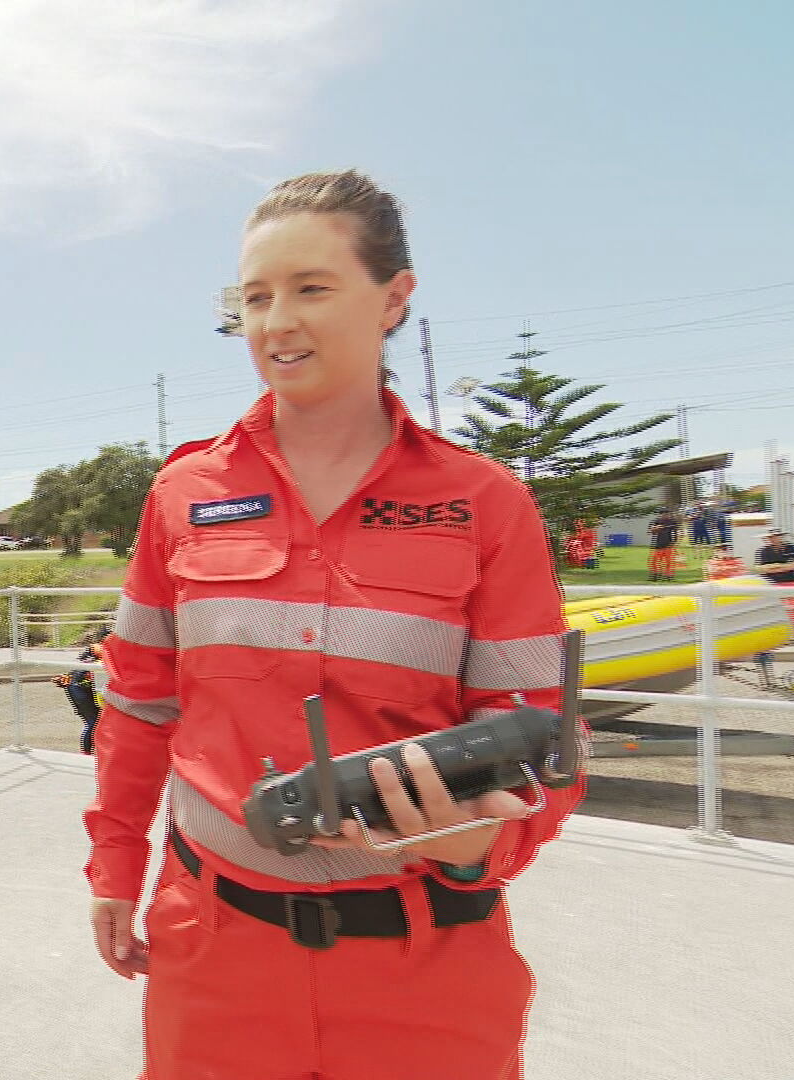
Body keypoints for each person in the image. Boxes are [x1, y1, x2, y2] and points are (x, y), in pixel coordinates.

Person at [85, 170, 581, 1079]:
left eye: (312, 288)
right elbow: (139, 707)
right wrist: (115, 867)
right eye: (257, 298)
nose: (277, 324)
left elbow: (545, 730)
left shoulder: (486, 504)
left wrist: (486, 841)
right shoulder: (181, 496)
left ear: (394, 298)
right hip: (215, 958)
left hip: (428, 970)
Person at [648, 507, 680, 581]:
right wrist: (656, 528)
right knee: (655, 561)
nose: (666, 515)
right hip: (658, 544)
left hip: (669, 544)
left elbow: (676, 533)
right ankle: (655, 575)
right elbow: (651, 532)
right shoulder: (657, 521)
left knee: (668, 561)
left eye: (667, 513)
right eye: (664, 513)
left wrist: (675, 542)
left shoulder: (672, 522)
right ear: (661, 514)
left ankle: (669, 576)